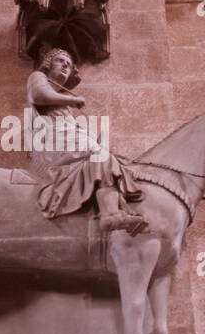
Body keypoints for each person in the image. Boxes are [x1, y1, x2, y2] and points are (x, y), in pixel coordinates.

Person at [26, 47, 148, 235]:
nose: (65, 67)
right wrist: (72, 100)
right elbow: (39, 95)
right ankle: (111, 216)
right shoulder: (38, 78)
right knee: (101, 157)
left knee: (105, 158)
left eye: (69, 64)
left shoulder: (62, 101)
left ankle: (116, 210)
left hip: (62, 140)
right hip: (50, 142)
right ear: (48, 65)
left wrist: (91, 136)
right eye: (60, 61)